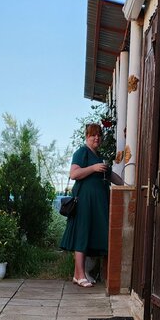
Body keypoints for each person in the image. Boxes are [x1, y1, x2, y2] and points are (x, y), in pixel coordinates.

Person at [60, 123, 110, 287]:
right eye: (93, 135)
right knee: (81, 235)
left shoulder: (98, 156)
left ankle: (78, 275)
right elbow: (74, 174)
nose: (97, 137)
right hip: (84, 202)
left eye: (99, 135)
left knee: (89, 235)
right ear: (86, 137)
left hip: (96, 204)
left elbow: (110, 175)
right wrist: (93, 168)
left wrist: (128, 184)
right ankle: (80, 275)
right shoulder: (82, 152)